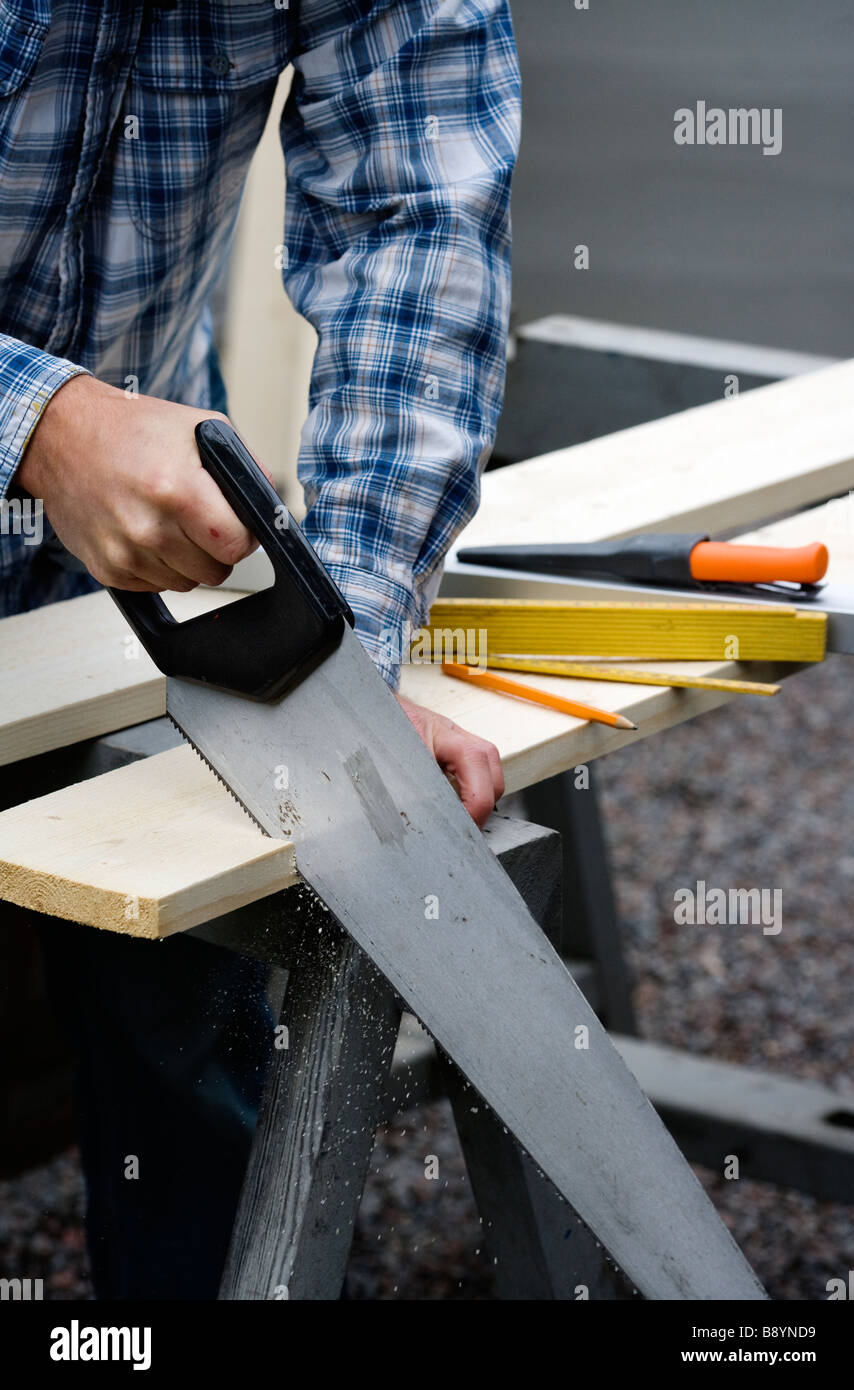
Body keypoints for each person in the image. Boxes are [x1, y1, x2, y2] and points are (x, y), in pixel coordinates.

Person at [1, 0, 520, 1297]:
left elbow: (417, 225)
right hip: (81, 456)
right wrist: (35, 420)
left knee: (185, 992)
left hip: (119, 547)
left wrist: (334, 646)